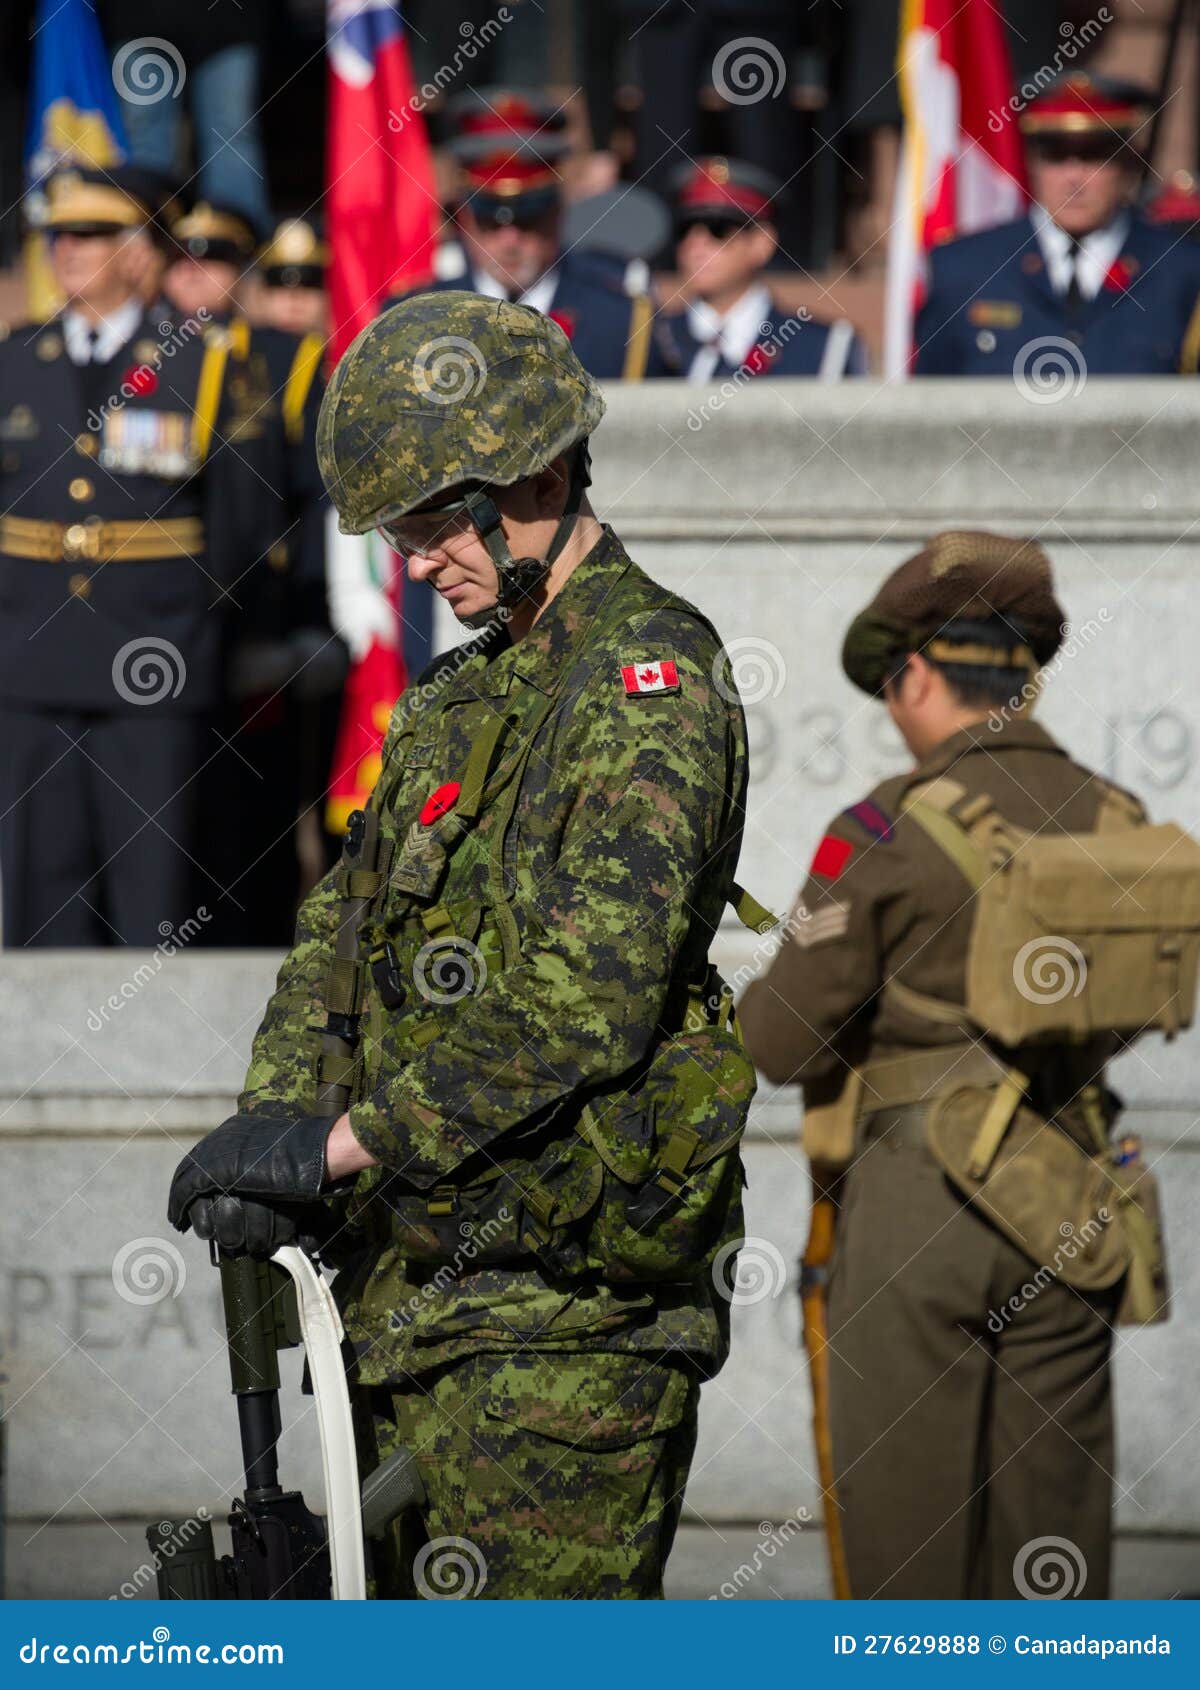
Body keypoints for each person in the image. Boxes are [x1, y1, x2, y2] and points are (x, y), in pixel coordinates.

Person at [167, 291, 765, 1598]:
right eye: (399, 531)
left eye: (434, 521)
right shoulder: (461, 695)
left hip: (564, 1322)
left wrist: (334, 1146)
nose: (417, 561)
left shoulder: (650, 674)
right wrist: (265, 1133)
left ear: (536, 476)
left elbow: (587, 1001)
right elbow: (341, 932)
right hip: (408, 1302)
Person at [738, 531, 1164, 1598]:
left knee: (910, 1561)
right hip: (1073, 1201)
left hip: (918, 1212)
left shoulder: (884, 825)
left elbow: (777, 1041)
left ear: (921, 674)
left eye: (891, 683)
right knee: (1051, 1560)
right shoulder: (1117, 818)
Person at [0, 167, 256, 946]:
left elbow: (244, 529)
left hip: (154, 662)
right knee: (40, 904)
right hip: (30, 662)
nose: (68, 251)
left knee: (156, 907)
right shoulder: (14, 358)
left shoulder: (205, 361)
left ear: (143, 250)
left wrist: (199, 637)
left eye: (93, 234)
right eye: (58, 235)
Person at [164, 198, 337, 946]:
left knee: (257, 805)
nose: (199, 280)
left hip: (256, 618)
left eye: (219, 264)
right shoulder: (146, 359)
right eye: (186, 262)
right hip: (161, 620)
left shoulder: (281, 358)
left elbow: (308, 494)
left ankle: (254, 952)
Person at [915, 73, 1200, 376]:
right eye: (1055, 155)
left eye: (1095, 156)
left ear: (1129, 162)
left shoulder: (1181, 270)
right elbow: (929, 406)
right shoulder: (964, 270)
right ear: (1031, 162)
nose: (1074, 179)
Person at [399, 89, 671, 380]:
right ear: (463, 217)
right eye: (490, 221)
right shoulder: (415, 321)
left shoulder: (625, 323)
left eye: (528, 219)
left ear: (557, 211)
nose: (510, 240)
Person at [659, 157, 866, 378]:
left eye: (717, 229)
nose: (695, 246)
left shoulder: (823, 348)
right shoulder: (653, 340)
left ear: (762, 243)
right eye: (685, 229)